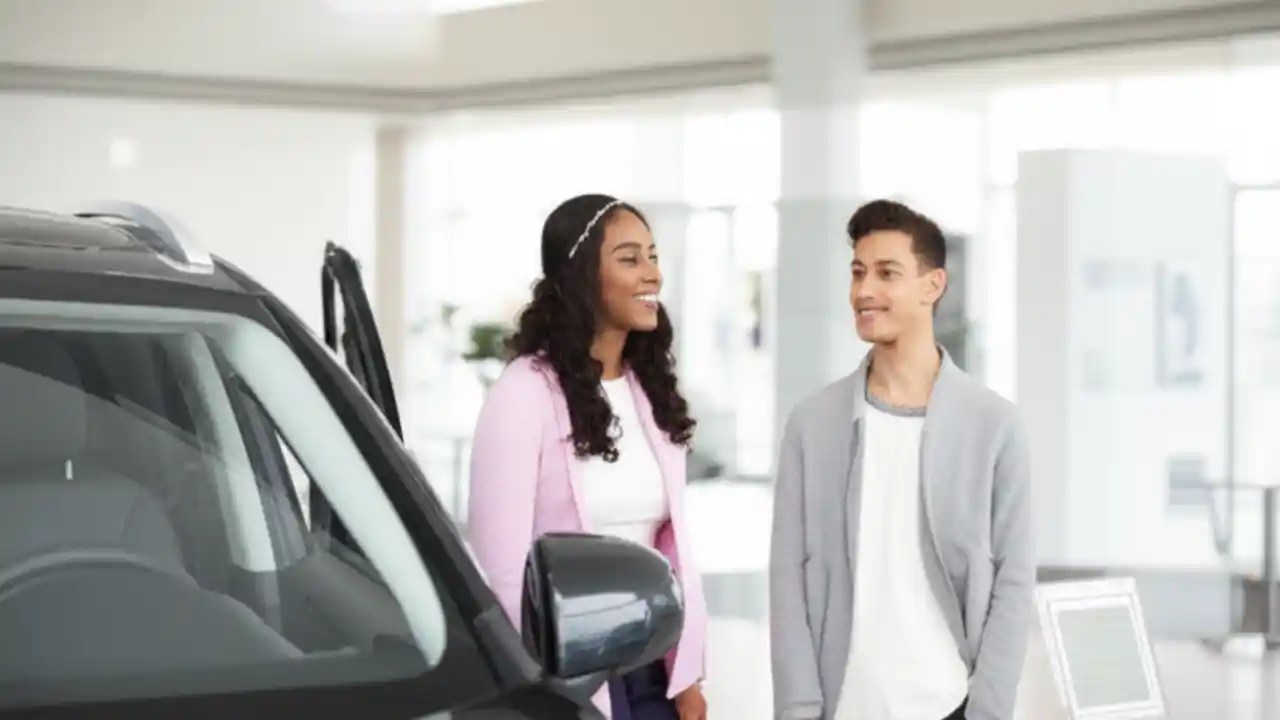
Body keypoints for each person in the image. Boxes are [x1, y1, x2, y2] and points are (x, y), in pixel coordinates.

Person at [769, 199, 1034, 720]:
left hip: (950, 706)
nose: (864, 291)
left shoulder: (994, 426)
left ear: (932, 286)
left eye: (887, 273)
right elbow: (786, 580)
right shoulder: (812, 423)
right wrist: (798, 709)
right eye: (858, 273)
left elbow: (1014, 580)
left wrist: (988, 709)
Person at [467, 194, 709, 720]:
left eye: (653, 256)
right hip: (567, 677)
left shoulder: (649, 389)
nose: (652, 275)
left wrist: (686, 676)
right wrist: (537, 693)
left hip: (653, 672)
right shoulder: (523, 393)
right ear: (581, 276)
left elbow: (672, 550)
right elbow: (503, 571)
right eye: (629, 258)